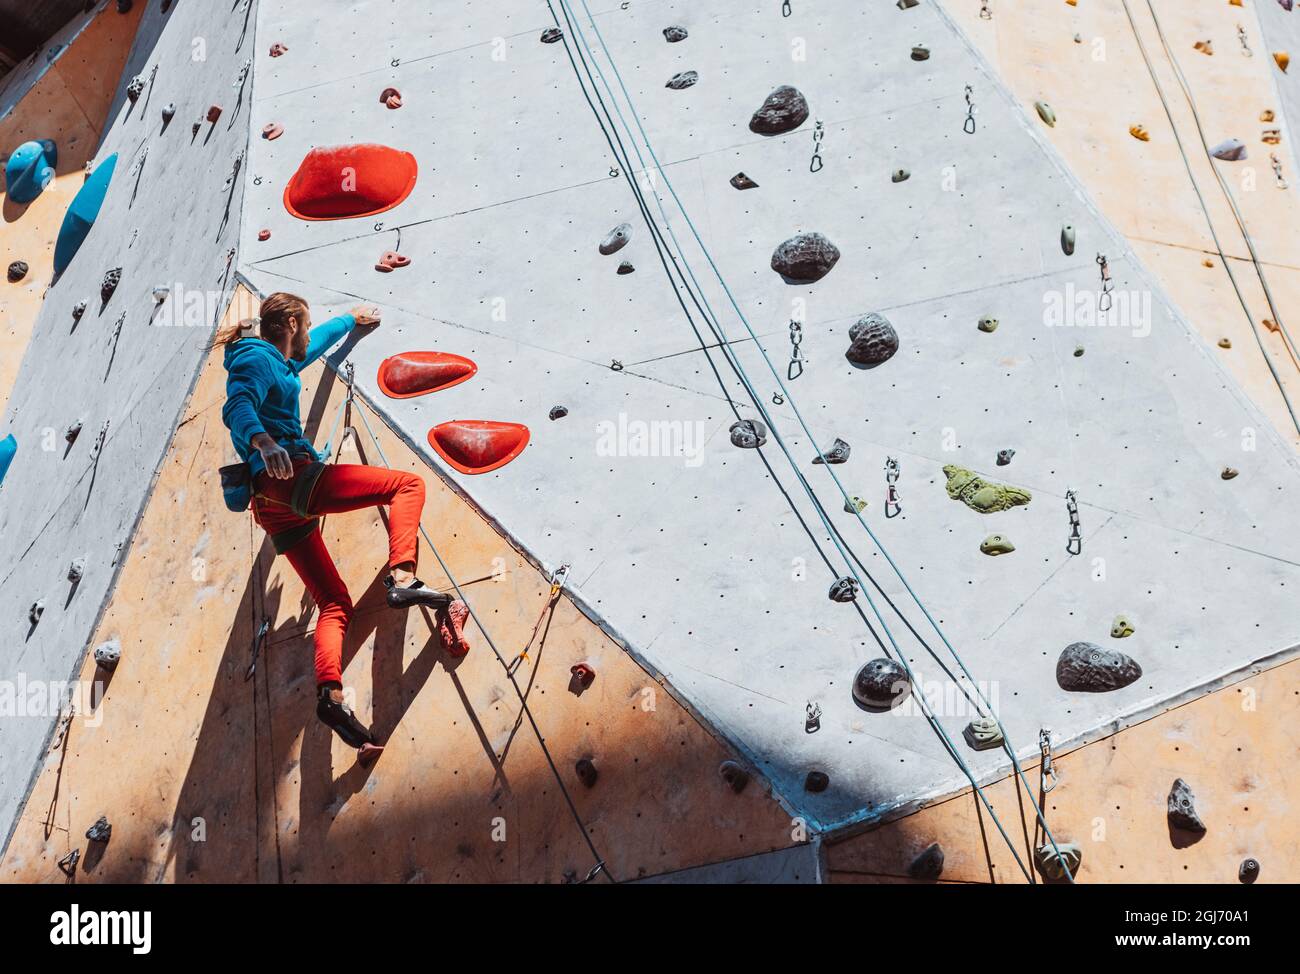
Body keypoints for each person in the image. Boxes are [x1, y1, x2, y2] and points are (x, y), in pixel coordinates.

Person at [217, 292, 462, 752]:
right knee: (406, 486)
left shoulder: (279, 363)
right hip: (290, 477)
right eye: (306, 325)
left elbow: (310, 349)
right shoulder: (255, 357)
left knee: (333, 602)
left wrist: (349, 320)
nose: (309, 334)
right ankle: (402, 578)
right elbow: (237, 405)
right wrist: (264, 442)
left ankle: (330, 695)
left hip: (272, 508)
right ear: (291, 323)